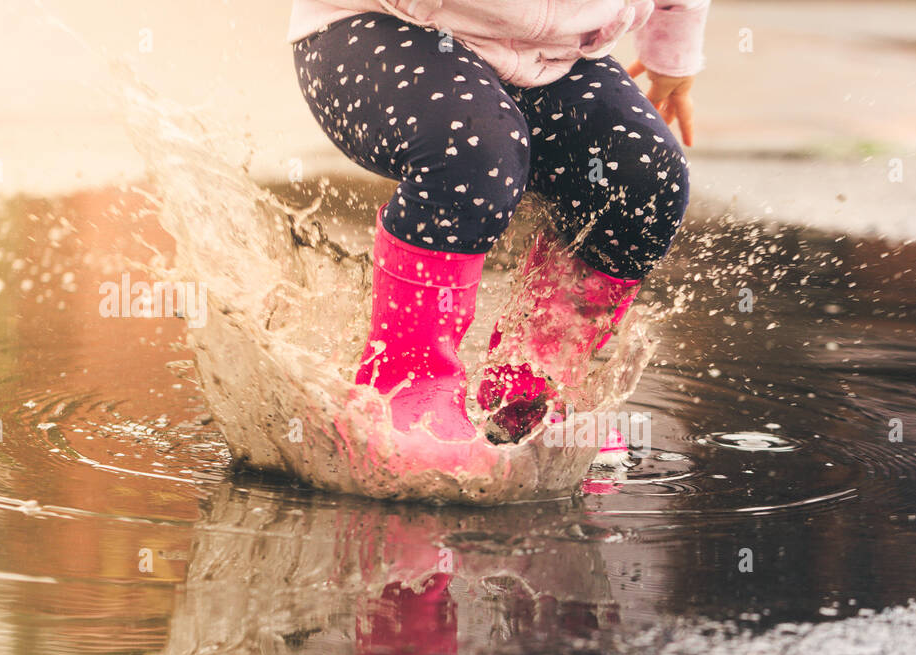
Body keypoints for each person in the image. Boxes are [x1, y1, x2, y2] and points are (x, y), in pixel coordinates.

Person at [289, 1, 707, 445]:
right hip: (384, 26)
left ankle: (534, 386)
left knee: (643, 177)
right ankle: (408, 386)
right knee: (472, 150)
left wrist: (672, 54)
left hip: (551, 53)